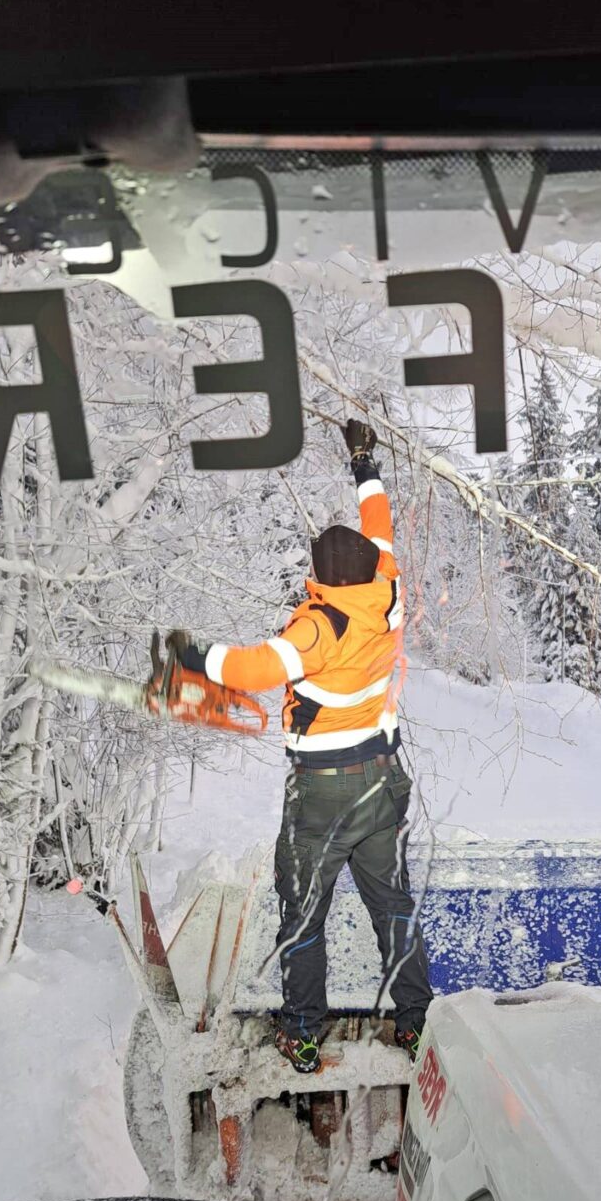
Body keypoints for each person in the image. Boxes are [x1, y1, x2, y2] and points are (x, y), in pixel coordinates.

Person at [174, 419, 433, 1074]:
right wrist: (364, 462)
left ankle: (303, 1031)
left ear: (320, 576)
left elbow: (258, 668)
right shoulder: (388, 595)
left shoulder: (320, 626)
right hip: (382, 783)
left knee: (304, 913)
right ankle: (417, 1023)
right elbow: (381, 528)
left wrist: (194, 655)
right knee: (392, 906)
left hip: (323, 795)